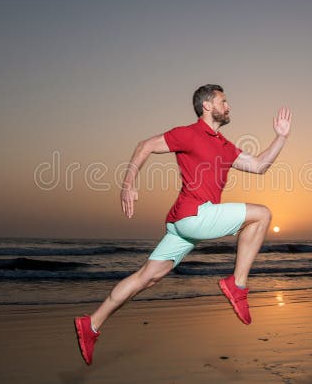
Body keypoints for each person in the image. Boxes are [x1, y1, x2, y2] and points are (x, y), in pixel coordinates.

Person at [74, 84, 292, 365]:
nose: (229, 106)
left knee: (147, 277)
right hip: (195, 215)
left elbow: (260, 165)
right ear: (207, 106)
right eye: (223, 101)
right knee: (262, 214)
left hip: (183, 224)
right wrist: (127, 184)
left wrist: (281, 137)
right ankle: (237, 284)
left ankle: (91, 324)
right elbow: (145, 146)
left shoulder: (226, 146)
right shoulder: (188, 134)